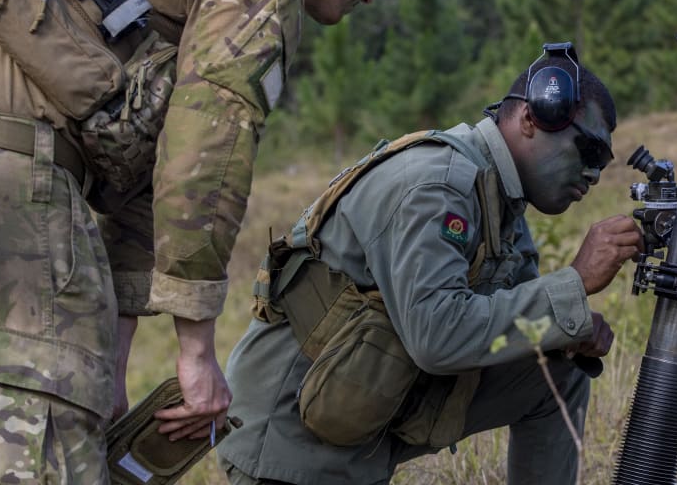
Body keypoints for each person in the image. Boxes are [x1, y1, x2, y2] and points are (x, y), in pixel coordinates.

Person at [0, 0, 411, 483]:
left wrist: (114, 356)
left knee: (8, 444)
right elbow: (207, 148)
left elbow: (138, 163)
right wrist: (196, 348)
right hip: (15, 185)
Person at [218, 45, 645, 485]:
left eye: (604, 162)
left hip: (362, 417)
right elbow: (436, 336)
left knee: (556, 371)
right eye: (589, 151)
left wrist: (568, 331)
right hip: (289, 440)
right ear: (531, 119)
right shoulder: (440, 183)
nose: (594, 175)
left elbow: (511, 324)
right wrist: (573, 283)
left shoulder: (502, 203)